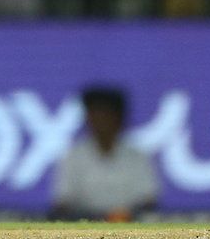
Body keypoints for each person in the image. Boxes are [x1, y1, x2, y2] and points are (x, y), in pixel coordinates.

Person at [51, 87, 158, 220]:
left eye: (106, 115)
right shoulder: (74, 156)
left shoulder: (137, 157)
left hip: (130, 226)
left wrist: (121, 217)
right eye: (94, 115)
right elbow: (63, 201)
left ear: (119, 118)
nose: (100, 122)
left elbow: (148, 200)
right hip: (84, 227)